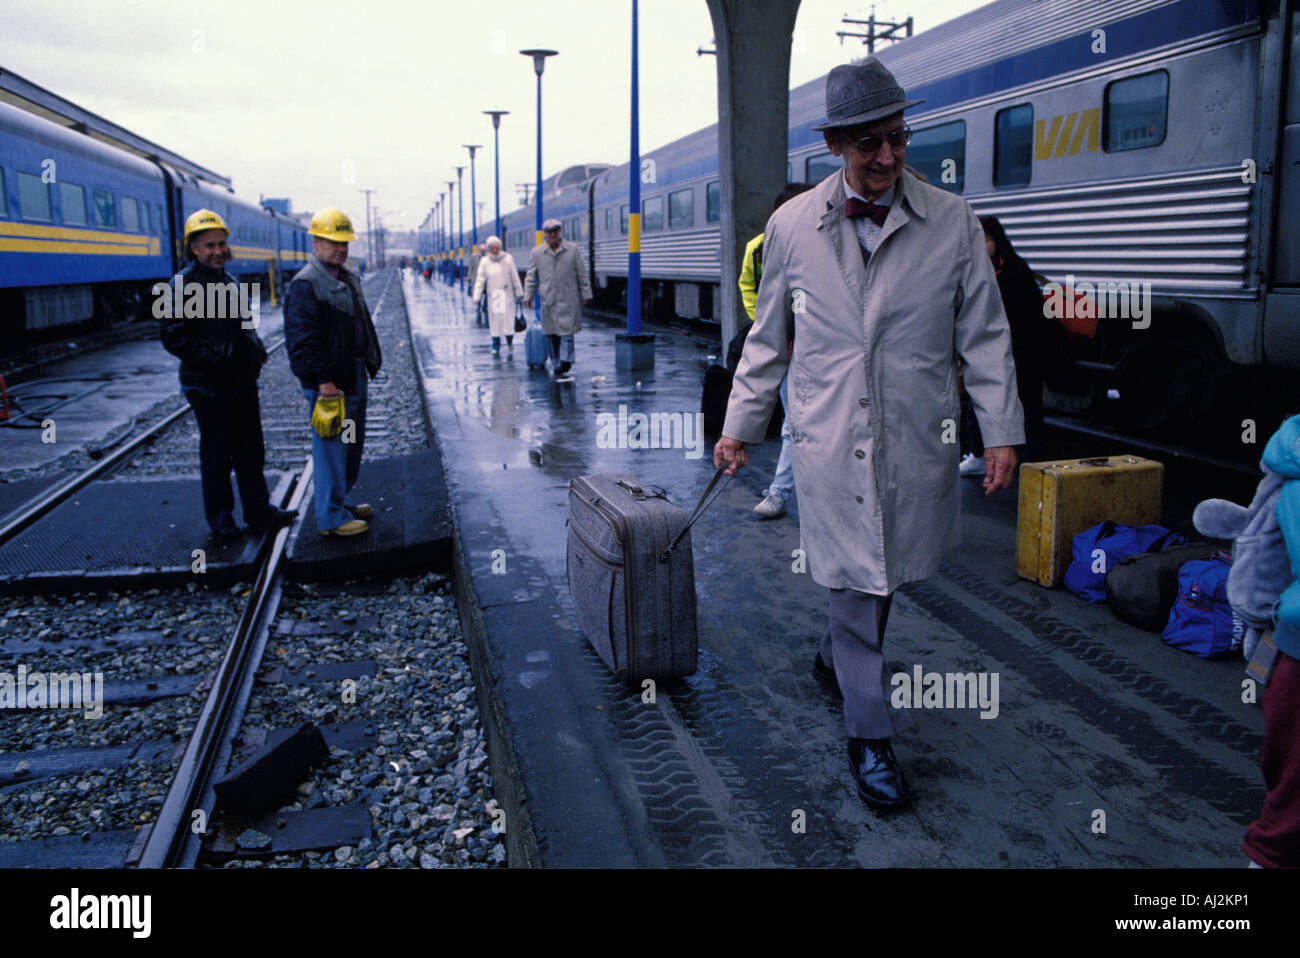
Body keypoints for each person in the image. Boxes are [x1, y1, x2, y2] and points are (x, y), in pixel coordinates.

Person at [714, 58, 1024, 811]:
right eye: (868, 146)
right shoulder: (790, 227)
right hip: (825, 435)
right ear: (833, 146)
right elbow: (766, 338)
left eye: (897, 138)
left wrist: (1002, 432)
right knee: (855, 583)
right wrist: (739, 427)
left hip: (916, 433)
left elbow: (985, 335)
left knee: (883, 569)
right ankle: (870, 736)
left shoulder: (953, 222)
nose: (887, 158)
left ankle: (833, 658)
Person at [160, 209, 296, 541]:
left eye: (221, 244)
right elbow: (173, 337)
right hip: (206, 387)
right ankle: (221, 519)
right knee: (217, 454)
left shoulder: (232, 283)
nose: (218, 251)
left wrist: (256, 352)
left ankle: (258, 510)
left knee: (251, 449)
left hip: (240, 383)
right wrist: (217, 360)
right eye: (209, 245)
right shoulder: (178, 287)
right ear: (193, 248)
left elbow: (246, 327)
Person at [283, 207, 382, 537]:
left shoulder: (344, 277)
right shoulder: (307, 284)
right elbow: (302, 340)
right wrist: (323, 380)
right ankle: (329, 518)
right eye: (332, 241)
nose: (339, 248)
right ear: (315, 243)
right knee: (330, 447)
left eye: (344, 241)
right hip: (331, 384)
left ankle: (340, 500)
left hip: (351, 375)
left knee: (350, 443)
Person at [738, 183, 813, 519]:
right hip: (789, 348)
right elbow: (749, 286)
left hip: (823, 351)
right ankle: (781, 492)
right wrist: (769, 325)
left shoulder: (829, 245)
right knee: (793, 425)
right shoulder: (760, 247)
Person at [959, 216, 1049, 474]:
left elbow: (1022, 318)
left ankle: (1034, 460)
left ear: (996, 240)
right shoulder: (982, 270)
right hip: (995, 352)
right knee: (979, 404)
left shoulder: (1015, 271)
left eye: (985, 240)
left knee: (1028, 408)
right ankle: (979, 454)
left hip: (1023, 355)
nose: (981, 246)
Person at [524, 218, 592, 377]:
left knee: (567, 332)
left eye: (555, 231)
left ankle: (566, 361)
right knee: (552, 333)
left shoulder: (572, 250)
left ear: (560, 232)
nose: (553, 234)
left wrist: (585, 293)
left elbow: (581, 273)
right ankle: (556, 362)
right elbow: (531, 277)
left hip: (569, 297)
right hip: (548, 299)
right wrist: (528, 295)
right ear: (545, 234)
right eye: (549, 232)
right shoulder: (537, 253)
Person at [472, 236, 523, 355]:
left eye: (496, 247)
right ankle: (495, 345)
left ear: (500, 247)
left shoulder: (508, 259)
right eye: (492, 247)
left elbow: (514, 276)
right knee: (495, 323)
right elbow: (480, 279)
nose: (495, 250)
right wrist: (477, 296)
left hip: (507, 294)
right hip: (494, 295)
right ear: (489, 248)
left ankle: (510, 342)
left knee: (508, 322)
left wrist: (518, 292)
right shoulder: (485, 261)